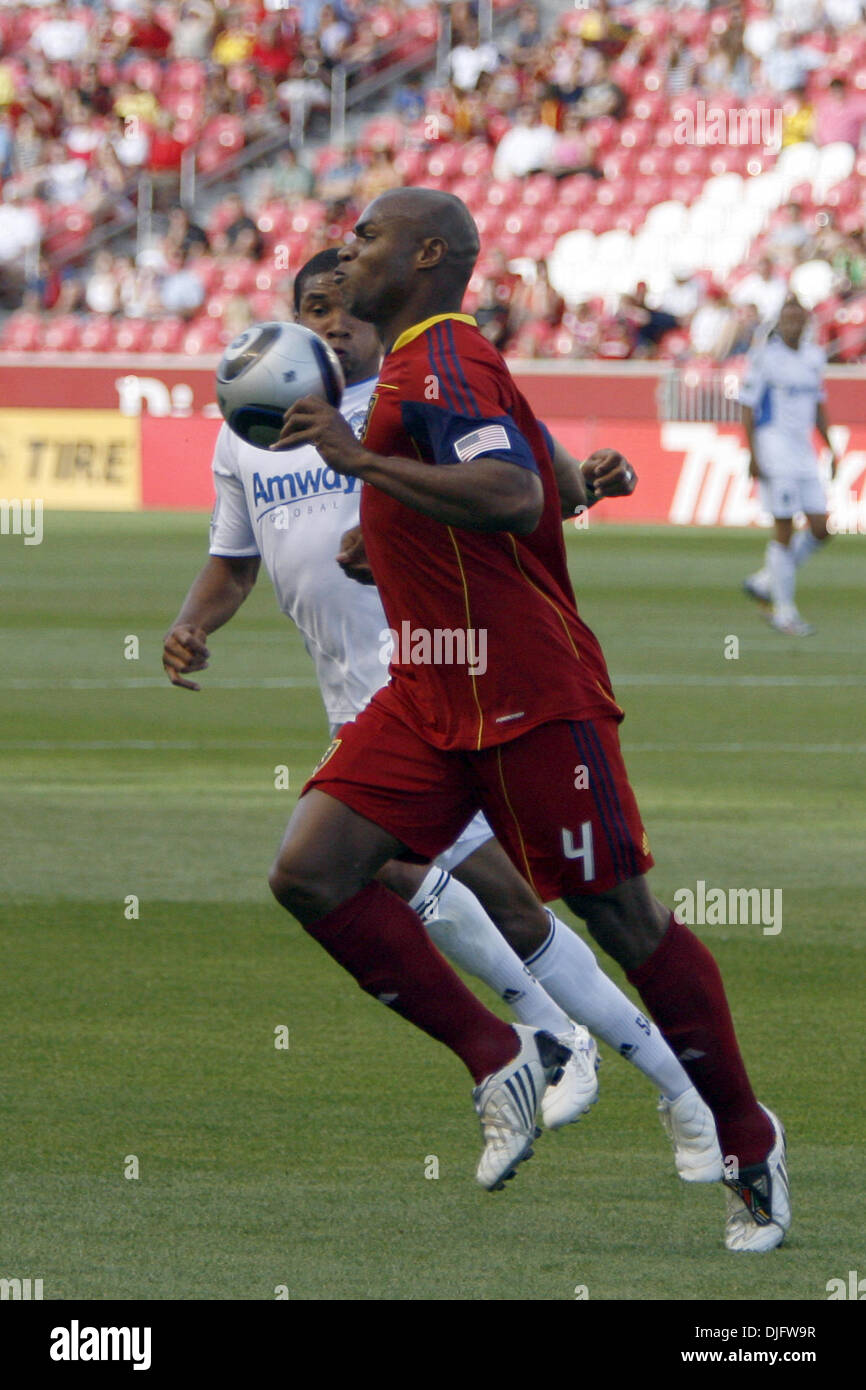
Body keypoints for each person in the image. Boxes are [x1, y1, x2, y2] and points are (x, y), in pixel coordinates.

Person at [265, 191, 790, 1252]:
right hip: (428, 692)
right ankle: (499, 1053)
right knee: (312, 869)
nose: (348, 251)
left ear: (420, 255)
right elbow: (537, 470)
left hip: (526, 693)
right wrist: (420, 517)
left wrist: (361, 467)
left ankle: (746, 1140)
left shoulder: (440, 360)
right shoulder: (439, 362)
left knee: (624, 920)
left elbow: (504, 494)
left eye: (365, 237)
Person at [163, 248, 723, 1183]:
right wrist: (190, 623)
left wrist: (582, 480)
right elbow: (236, 559)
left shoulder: (416, 395)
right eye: (315, 307)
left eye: (347, 306)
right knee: (380, 878)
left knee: (489, 893)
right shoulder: (252, 430)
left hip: (448, 685)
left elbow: (520, 479)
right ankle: (569, 1049)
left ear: (377, 313)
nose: (334, 322)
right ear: (294, 318)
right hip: (359, 702)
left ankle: (643, 1075)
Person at [740, 297, 837, 635]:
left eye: (798, 318)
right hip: (774, 450)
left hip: (805, 454)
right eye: (787, 318)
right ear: (779, 322)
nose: (792, 323)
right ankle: (784, 611)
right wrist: (753, 454)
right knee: (784, 529)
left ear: (806, 322)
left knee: (822, 529)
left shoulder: (814, 356)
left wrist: (831, 446)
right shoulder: (765, 357)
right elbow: (748, 407)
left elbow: (819, 404)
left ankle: (767, 580)